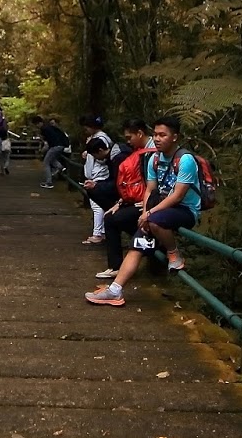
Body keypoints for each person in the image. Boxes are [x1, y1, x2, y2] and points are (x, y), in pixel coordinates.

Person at [85, 116, 199, 306]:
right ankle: (115, 291)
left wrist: (149, 214)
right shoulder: (154, 158)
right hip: (158, 209)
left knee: (154, 220)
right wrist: (146, 211)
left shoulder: (186, 160)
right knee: (136, 244)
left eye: (163, 135)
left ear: (175, 137)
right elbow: (149, 189)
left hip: (184, 210)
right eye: (155, 134)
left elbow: (178, 196)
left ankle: (174, 254)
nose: (158, 138)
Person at [95, 119, 153, 280]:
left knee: (117, 220)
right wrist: (120, 202)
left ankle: (150, 248)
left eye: (129, 137)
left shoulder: (153, 152)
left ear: (140, 133)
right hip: (141, 198)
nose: (128, 142)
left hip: (151, 202)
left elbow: (155, 181)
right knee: (110, 217)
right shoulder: (142, 151)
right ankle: (116, 265)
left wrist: (149, 203)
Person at [78, 115, 118, 245]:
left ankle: (98, 233)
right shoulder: (96, 138)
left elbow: (103, 157)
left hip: (100, 176)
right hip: (95, 175)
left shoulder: (102, 139)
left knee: (97, 207)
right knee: (97, 206)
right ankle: (102, 232)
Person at [32, 115, 69, 189]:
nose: (37, 126)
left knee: (46, 162)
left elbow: (47, 143)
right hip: (61, 146)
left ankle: (49, 182)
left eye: (36, 124)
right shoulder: (49, 127)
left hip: (55, 146)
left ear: (39, 123)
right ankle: (60, 167)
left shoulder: (44, 129)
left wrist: (41, 151)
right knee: (51, 159)